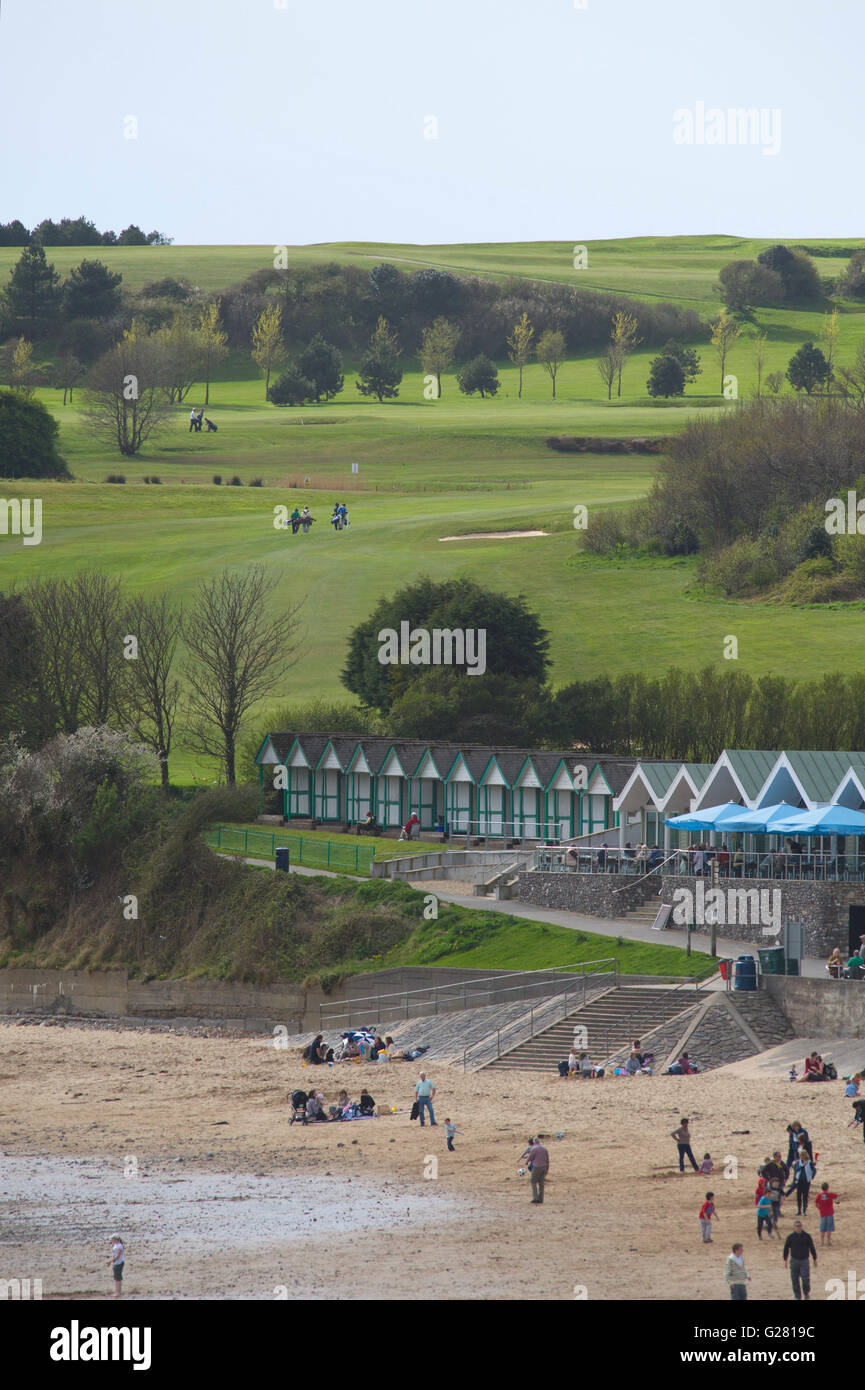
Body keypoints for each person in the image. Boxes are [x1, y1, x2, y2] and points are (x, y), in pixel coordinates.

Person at [783, 1221, 817, 1301]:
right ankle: (797, 1296)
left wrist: (814, 1259)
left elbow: (812, 1247)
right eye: (797, 1226)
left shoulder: (807, 1236)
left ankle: (806, 1293)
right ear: (794, 1227)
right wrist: (785, 1260)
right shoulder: (790, 1237)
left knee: (805, 1278)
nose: (798, 1227)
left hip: (804, 1260)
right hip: (794, 1260)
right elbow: (786, 1249)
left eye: (800, 1226)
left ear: (802, 1226)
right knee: (795, 1279)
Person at [786, 1148, 815, 1216]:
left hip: (806, 1181)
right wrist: (802, 1165)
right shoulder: (798, 1162)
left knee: (805, 1195)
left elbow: (814, 1170)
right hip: (799, 1180)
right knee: (799, 1195)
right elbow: (796, 1169)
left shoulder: (809, 1162)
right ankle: (799, 1210)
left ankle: (804, 1210)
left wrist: (811, 1177)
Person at [525, 1137, 550, 1205]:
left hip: (537, 1167)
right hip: (544, 1167)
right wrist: (547, 1169)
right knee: (541, 1183)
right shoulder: (544, 1149)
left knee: (533, 1181)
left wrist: (526, 1161)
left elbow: (531, 1157)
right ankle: (541, 1198)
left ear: (534, 1142)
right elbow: (547, 1160)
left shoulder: (534, 1148)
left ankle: (535, 1198)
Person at [815, 1182, 839, 1247]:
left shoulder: (819, 1195)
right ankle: (828, 1241)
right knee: (829, 1228)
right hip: (829, 1213)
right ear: (827, 1188)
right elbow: (837, 1195)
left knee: (822, 1228)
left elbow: (816, 1203)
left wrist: (820, 1209)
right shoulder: (829, 1194)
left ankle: (822, 1242)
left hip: (822, 1213)